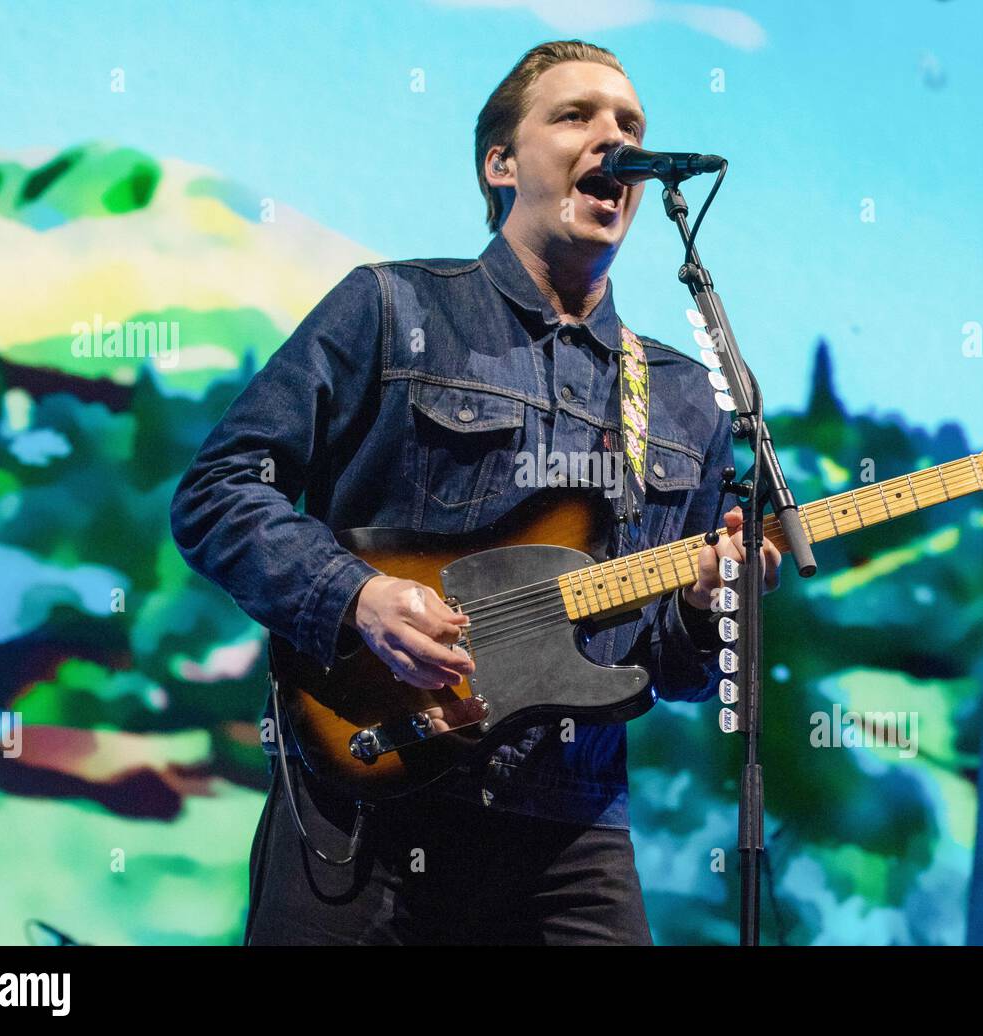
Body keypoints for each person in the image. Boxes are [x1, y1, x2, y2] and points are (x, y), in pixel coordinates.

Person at [169, 38, 782, 946]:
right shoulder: (388, 308)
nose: (612, 139)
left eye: (631, 126)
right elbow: (218, 491)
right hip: (369, 792)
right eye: (575, 116)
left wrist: (702, 609)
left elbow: (675, 671)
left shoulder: (686, 394)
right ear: (501, 164)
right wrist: (358, 597)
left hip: (572, 830)